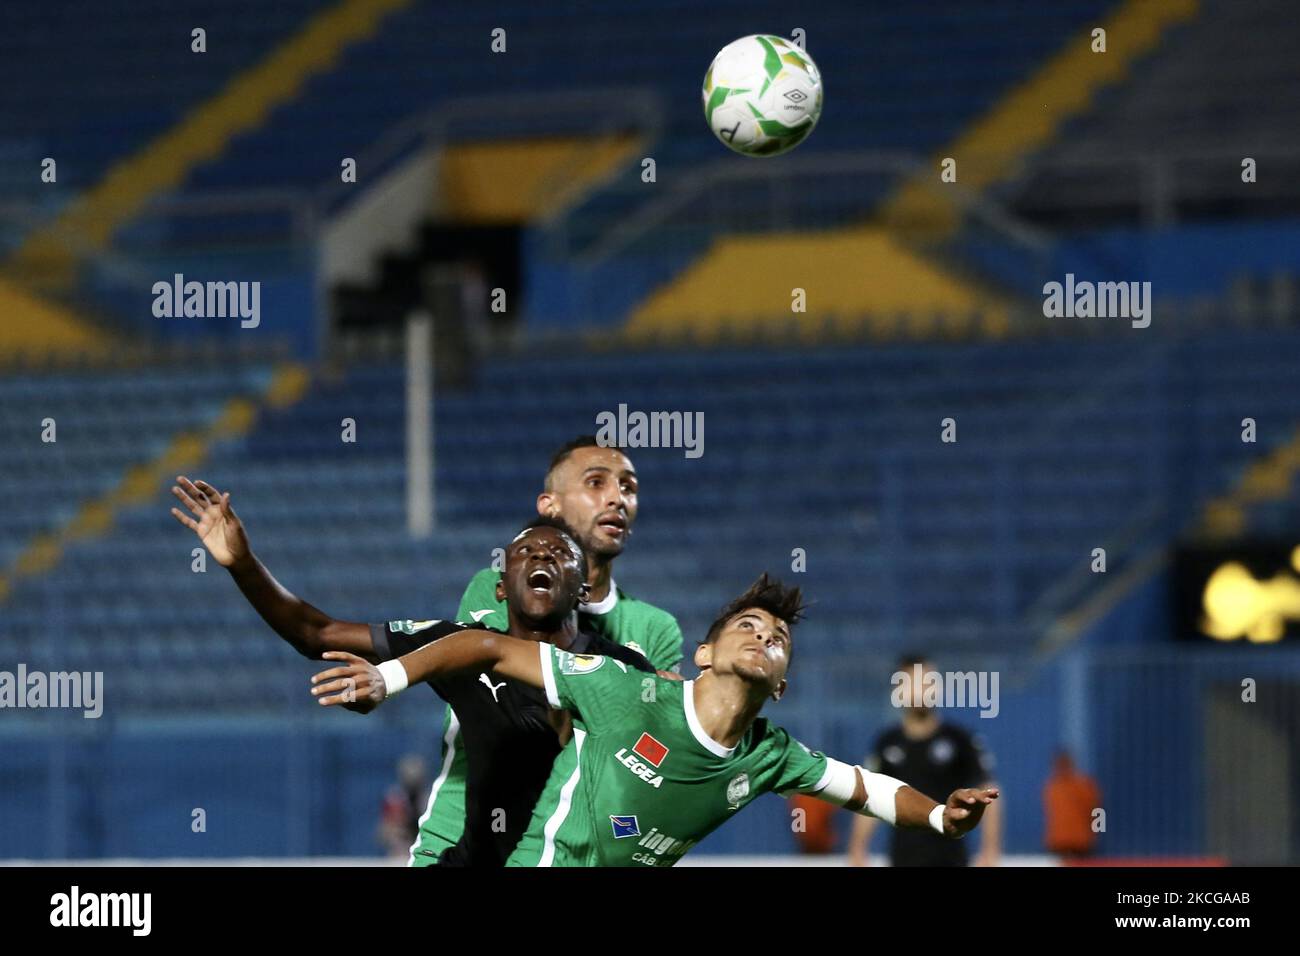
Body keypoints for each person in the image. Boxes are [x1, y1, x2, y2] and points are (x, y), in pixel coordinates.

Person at [311, 575, 999, 866]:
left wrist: (943, 818)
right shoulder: (623, 692)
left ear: (783, 684)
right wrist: (391, 674)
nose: (765, 638)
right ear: (704, 652)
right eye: (749, 625)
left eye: (779, 639)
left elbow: (868, 789)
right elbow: (488, 646)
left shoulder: (770, 754)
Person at [169, 475, 655, 865]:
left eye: (559, 553)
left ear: (584, 592)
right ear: (501, 586)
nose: (542, 555)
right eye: (525, 551)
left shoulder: (623, 667)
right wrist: (243, 564)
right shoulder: (455, 650)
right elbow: (315, 633)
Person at [420, 436, 684, 865]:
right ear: (550, 505)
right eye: (596, 483)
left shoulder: (655, 627)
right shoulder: (494, 586)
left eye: (628, 488)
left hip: (572, 850)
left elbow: (646, 759)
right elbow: (507, 694)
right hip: (462, 839)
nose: (617, 498)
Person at [848, 655, 1002, 867]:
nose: (923, 689)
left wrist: (990, 851)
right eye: (914, 682)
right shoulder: (887, 743)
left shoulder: (959, 739)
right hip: (903, 859)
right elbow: (868, 796)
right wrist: (857, 849)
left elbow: (988, 792)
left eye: (929, 681)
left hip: (951, 860)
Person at [1042, 750, 1100, 859]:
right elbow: (1097, 810)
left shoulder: (1054, 786)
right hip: (1068, 841)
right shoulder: (1053, 786)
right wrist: (1097, 832)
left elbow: (1097, 810)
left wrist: (1097, 832)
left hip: (1074, 842)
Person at [378, 755, 427, 858]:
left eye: (416, 777)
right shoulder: (395, 799)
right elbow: (383, 833)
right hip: (400, 850)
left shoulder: (429, 799)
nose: (413, 781)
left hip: (424, 848)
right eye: (409, 776)